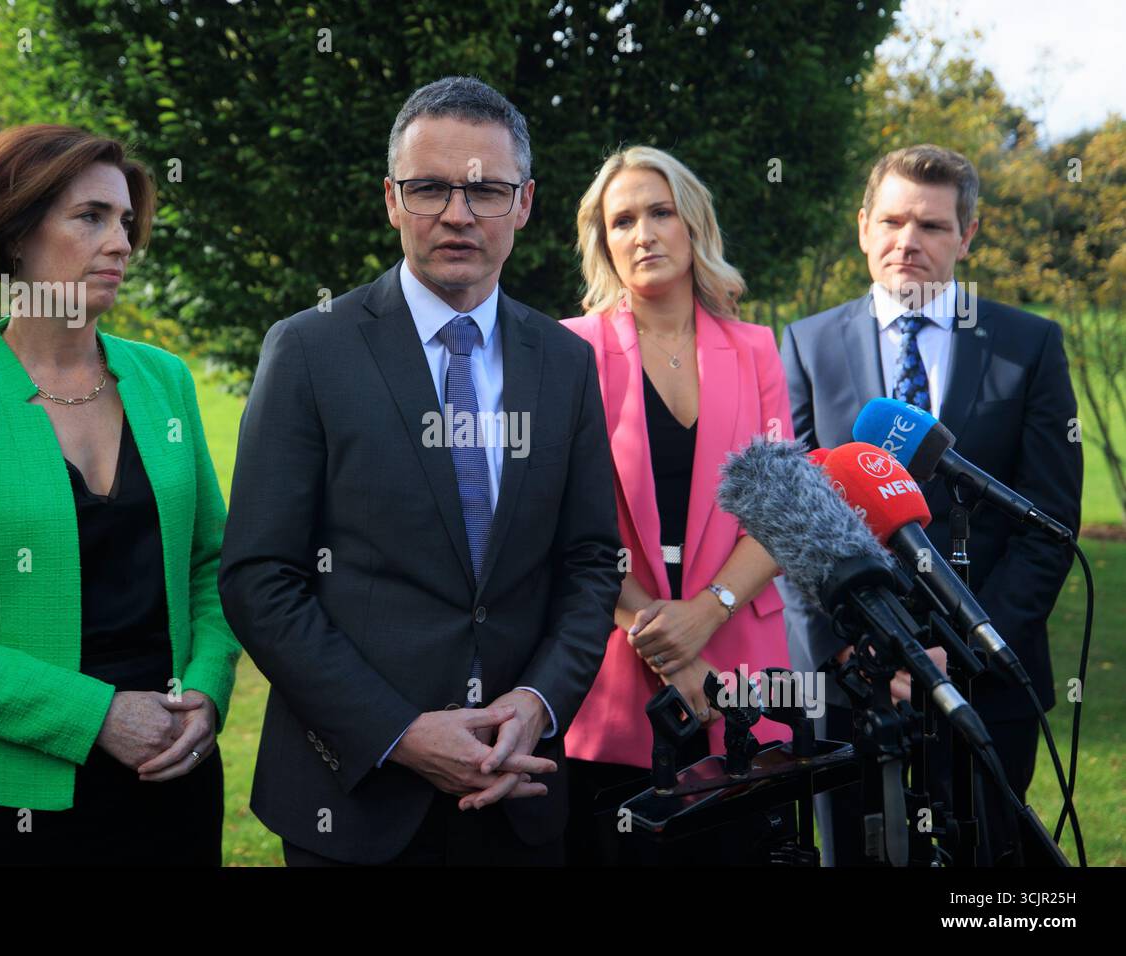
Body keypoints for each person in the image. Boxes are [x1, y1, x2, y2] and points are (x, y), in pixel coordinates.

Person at [219, 76, 622, 866]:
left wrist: (538, 705)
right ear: (392, 200)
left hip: (521, 793)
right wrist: (397, 732)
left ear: (526, 202)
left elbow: (589, 563)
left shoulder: (567, 364)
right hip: (356, 802)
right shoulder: (308, 350)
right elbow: (260, 576)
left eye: (486, 190)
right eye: (429, 187)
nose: (458, 214)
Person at [0, 125, 241, 866]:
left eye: (126, 222)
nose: (123, 244)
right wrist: (97, 714)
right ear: (14, 235)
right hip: (10, 813)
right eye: (91, 217)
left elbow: (213, 564)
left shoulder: (165, 381)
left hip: (176, 783)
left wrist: (207, 689)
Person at [780, 143, 1083, 865]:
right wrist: (851, 646)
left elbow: (1048, 526)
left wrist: (968, 649)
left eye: (932, 227)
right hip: (852, 679)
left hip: (990, 679)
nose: (907, 242)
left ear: (967, 235)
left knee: (988, 878)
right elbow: (790, 522)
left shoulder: (1029, 345)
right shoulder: (807, 344)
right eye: (890, 221)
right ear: (862, 227)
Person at [559, 146, 795, 864]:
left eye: (660, 213)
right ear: (604, 243)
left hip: (743, 657)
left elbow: (784, 512)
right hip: (612, 657)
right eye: (621, 220)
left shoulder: (756, 349)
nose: (643, 234)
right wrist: (666, 642)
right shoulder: (570, 352)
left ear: (692, 226)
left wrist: (708, 613)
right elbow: (563, 527)